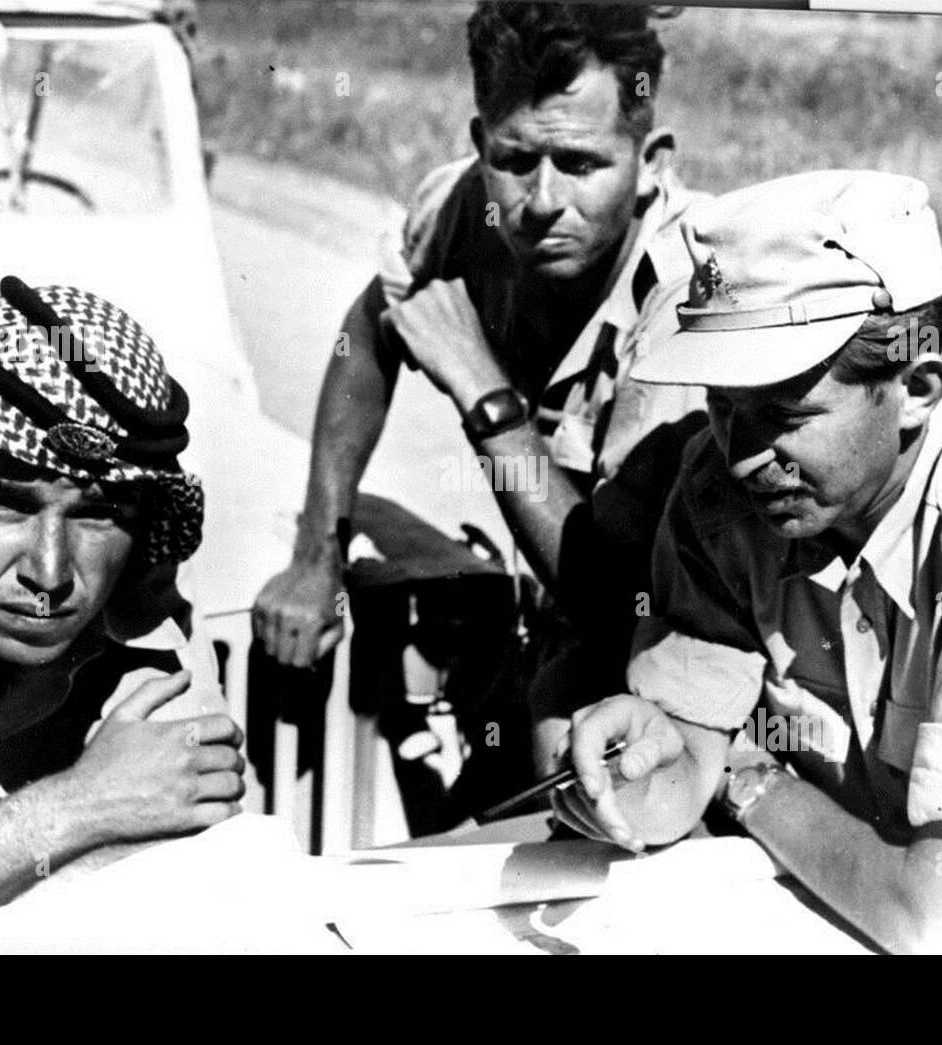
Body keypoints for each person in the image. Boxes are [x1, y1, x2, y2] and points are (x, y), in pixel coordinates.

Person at [554, 170, 942, 953]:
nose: (741, 456)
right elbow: (687, 763)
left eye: (786, 415)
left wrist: (748, 776)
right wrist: (632, 782)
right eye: (723, 407)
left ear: (917, 387)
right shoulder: (721, 490)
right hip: (837, 879)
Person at [252, 2, 712, 771]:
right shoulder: (469, 204)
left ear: (653, 161)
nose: (540, 201)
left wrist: (485, 398)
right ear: (479, 145)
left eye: (581, 165)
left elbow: (616, 600)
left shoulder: (687, 300)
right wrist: (316, 551)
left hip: (679, 645)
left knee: (567, 763)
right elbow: (368, 331)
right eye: (514, 158)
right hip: (571, 604)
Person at [0, 276, 246, 930]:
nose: (51, 572)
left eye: (96, 515)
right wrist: (76, 805)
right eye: (7, 504)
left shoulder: (140, 623)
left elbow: (175, 897)